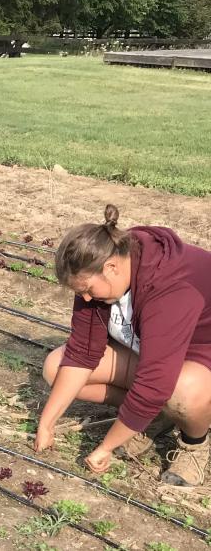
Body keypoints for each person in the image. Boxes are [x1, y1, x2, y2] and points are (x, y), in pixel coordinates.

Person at [35, 205, 211, 486]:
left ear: (111, 268)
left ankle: (195, 442)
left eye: (88, 290)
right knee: (56, 368)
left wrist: (105, 447)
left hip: (202, 357)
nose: (86, 299)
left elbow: (154, 384)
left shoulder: (169, 287)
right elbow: (81, 353)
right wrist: (47, 422)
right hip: (160, 355)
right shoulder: (100, 273)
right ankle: (154, 418)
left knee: (181, 390)